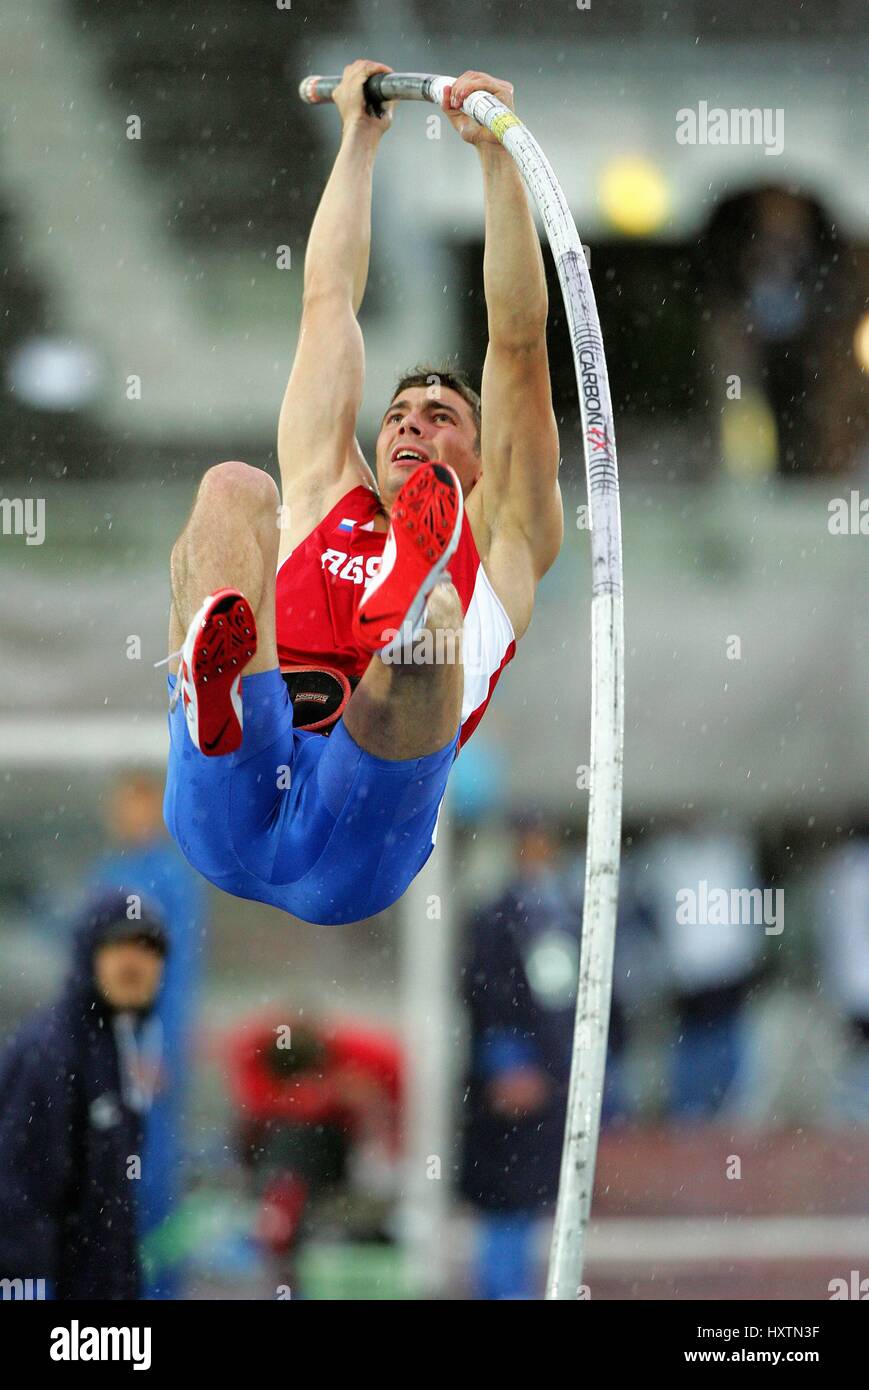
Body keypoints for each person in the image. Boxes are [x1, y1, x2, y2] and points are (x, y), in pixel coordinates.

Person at [160, 61, 562, 927]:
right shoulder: (323, 488)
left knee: (436, 635)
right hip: (233, 785)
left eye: (442, 415)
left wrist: (495, 157)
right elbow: (327, 299)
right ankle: (219, 694)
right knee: (234, 487)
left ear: (484, 456)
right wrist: (359, 136)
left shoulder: (509, 541)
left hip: (355, 838)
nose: (412, 426)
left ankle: (410, 612)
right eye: (400, 414)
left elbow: (519, 345)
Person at [0, 888, 167, 1300]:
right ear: (87, 956)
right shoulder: (50, 1053)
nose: (135, 963)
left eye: (149, 949)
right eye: (119, 946)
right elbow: (18, 1199)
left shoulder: (117, 1049)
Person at [88, 769, 207, 1298]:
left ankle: (157, 1288)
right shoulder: (109, 873)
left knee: (152, 1179)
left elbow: (176, 976)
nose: (127, 817)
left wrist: (155, 1048)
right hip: (103, 1053)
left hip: (147, 1059)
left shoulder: (171, 880)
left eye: (138, 805)